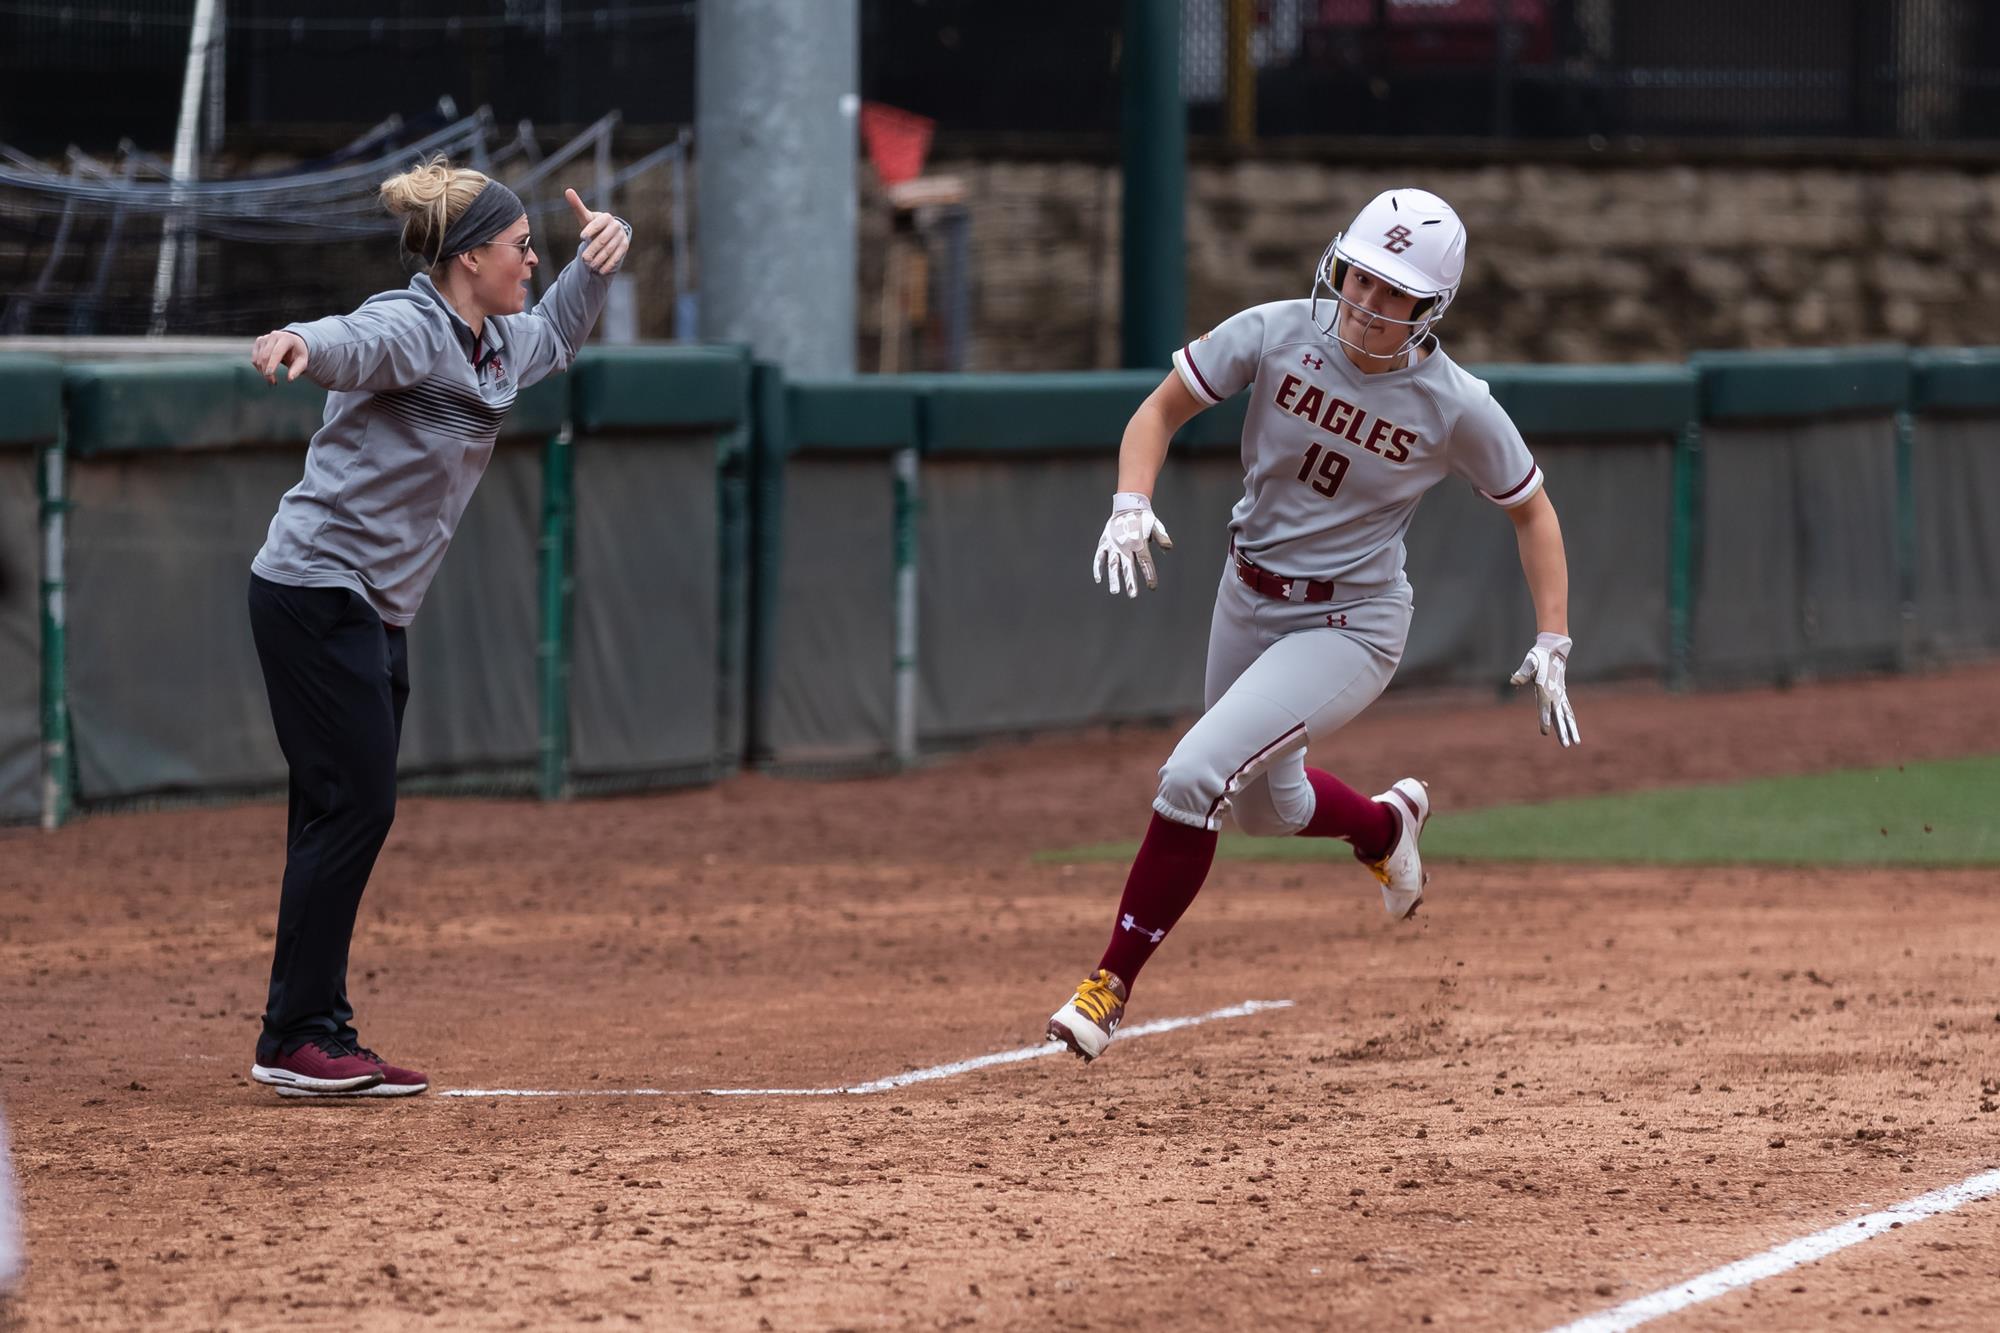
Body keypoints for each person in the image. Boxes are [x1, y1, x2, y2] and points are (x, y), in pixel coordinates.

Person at [1046, 188, 1579, 1063]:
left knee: (1193, 774)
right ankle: (1385, 827)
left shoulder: (1455, 403)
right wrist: (1129, 500)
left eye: (1393, 292)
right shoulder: (1277, 329)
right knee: (1266, 807)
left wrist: (1552, 634)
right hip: (1245, 592)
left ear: (1430, 307)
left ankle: (1107, 988)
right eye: (1360, 278)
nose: (1368, 304)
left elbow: (1533, 511)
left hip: (1352, 622)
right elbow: (1159, 411)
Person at [244, 157, 630, 1096]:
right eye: (519, 247)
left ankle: (306, 1028)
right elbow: (354, 338)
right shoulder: (415, 327)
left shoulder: (492, 344)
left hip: (373, 608)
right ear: (466, 258)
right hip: (317, 589)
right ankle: (300, 1033)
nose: (530, 261)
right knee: (356, 806)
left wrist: (593, 264)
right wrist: (297, 338)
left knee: (337, 811)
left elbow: (553, 335)